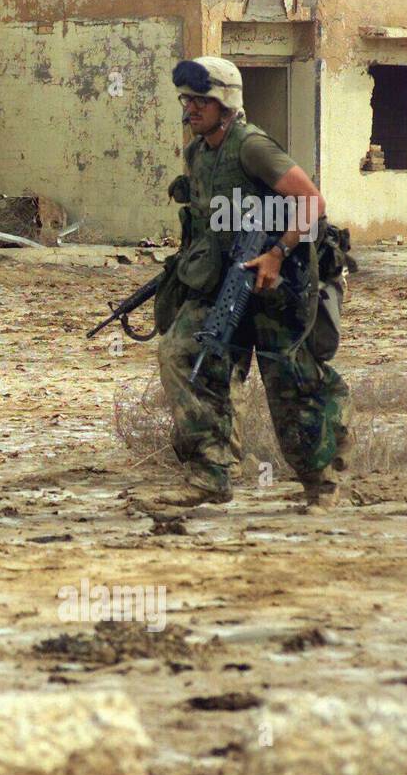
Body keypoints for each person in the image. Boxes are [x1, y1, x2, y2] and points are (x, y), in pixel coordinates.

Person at [147, 56, 350, 513]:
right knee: (187, 355)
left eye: (202, 100)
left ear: (226, 105)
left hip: (278, 286)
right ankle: (209, 474)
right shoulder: (198, 154)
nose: (192, 109)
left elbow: (311, 202)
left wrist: (277, 253)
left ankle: (323, 486)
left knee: (292, 384)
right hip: (223, 286)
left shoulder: (251, 147)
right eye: (188, 100)